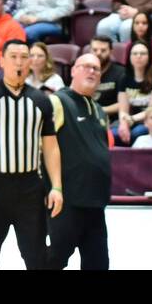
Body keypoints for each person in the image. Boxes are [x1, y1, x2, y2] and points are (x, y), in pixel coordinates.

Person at [0, 39, 63, 270]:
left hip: (30, 189)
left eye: (24, 57)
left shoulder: (42, 100)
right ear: (2, 60)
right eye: (13, 56)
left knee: (37, 259)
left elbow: (51, 146)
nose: (19, 62)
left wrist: (57, 187)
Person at [48, 54, 113, 270]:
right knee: (53, 260)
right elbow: (42, 146)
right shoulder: (58, 101)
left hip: (95, 203)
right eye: (86, 66)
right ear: (73, 71)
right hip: (66, 202)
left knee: (98, 265)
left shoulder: (100, 110)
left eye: (96, 68)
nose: (92, 71)